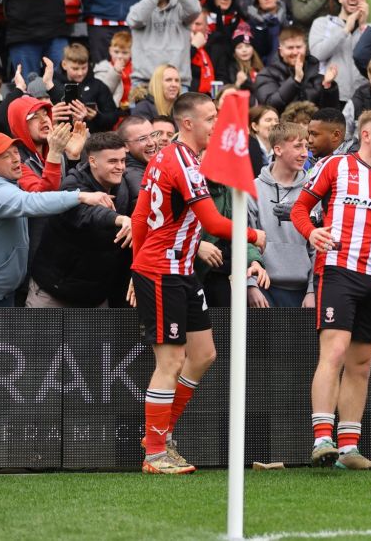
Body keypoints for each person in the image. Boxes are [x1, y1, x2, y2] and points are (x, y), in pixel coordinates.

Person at [129, 91, 266, 475]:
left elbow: (141, 217)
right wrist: (254, 236)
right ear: (186, 123)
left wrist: (136, 262)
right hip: (163, 271)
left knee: (203, 354)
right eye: (210, 119)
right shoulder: (184, 163)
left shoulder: (171, 157)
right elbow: (212, 222)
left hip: (180, 269)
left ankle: (161, 434)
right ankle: (156, 452)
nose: (217, 125)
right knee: (171, 360)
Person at [290, 107, 371, 471]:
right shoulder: (336, 167)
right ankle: (322, 439)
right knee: (333, 353)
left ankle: (349, 448)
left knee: (362, 364)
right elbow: (300, 209)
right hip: (338, 272)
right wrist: (312, 232)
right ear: (366, 136)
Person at [0, 131, 114, 307]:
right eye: (6, 156)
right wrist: (80, 196)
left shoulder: (6, 181)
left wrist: (72, 158)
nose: (15, 159)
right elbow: (32, 201)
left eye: (15, 152)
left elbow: (42, 192)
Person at [26, 132, 135, 308]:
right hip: (53, 290)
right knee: (41, 336)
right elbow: (87, 214)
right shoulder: (72, 185)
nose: (120, 167)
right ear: (92, 161)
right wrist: (120, 219)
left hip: (95, 295)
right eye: (112, 161)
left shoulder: (124, 185)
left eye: (123, 160)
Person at [248, 121, 314, 308]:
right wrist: (251, 286)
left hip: (304, 293)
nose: (304, 153)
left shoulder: (313, 191)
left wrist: (312, 290)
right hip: (263, 289)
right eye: (297, 146)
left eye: (306, 146)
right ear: (278, 149)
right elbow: (244, 240)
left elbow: (319, 247)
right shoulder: (252, 190)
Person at [127, 0, 203, 88]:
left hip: (177, 82)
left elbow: (195, 9)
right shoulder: (138, 10)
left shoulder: (180, 10)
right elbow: (135, 20)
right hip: (144, 83)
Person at [308, 0, 369, 104]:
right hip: (333, 94)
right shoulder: (322, 23)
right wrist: (345, 30)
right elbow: (316, 55)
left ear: (364, 0)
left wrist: (363, 26)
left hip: (364, 96)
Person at [254, 26, 340, 112]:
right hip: (282, 125)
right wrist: (295, 80)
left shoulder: (317, 77)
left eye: (298, 47)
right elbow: (269, 106)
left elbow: (330, 113)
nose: (295, 52)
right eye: (290, 48)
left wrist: (327, 85)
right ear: (281, 51)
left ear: (305, 48)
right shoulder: (266, 75)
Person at [118, 115, 158, 197]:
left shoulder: (153, 166)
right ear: (125, 146)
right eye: (142, 139)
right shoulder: (133, 176)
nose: (151, 143)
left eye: (153, 135)